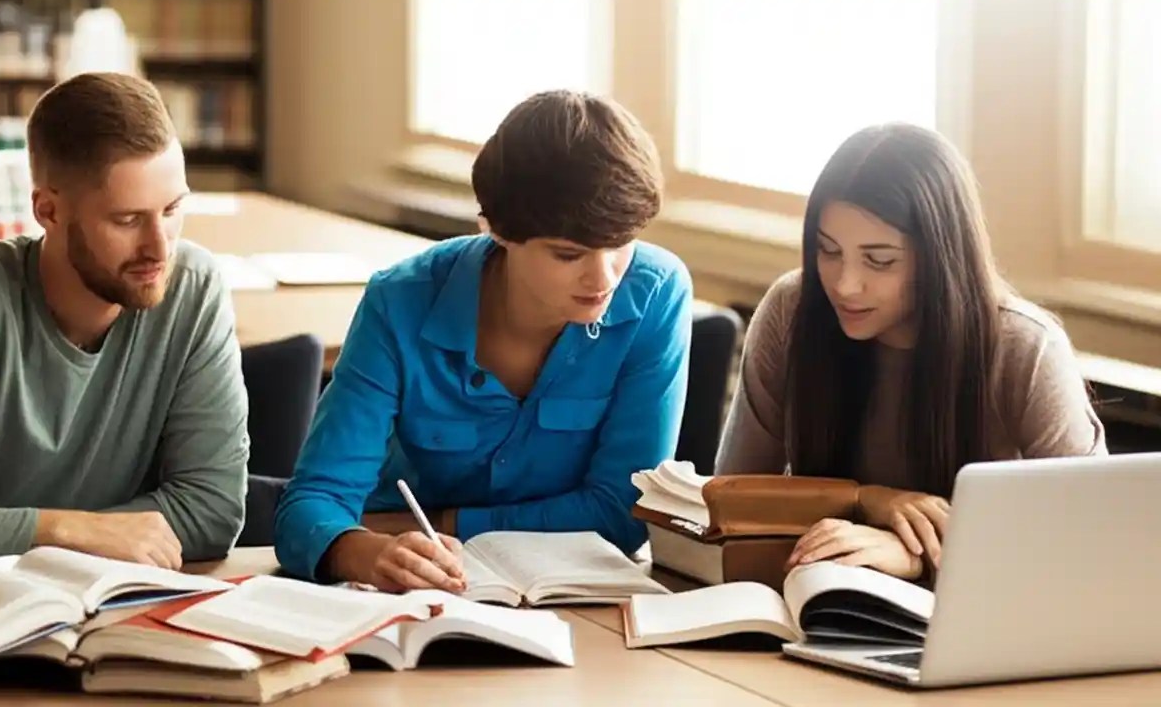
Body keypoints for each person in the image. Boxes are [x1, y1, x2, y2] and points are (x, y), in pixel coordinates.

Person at [275, 90, 693, 592]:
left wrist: (441, 524)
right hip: (406, 596)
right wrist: (362, 551)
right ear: (495, 229)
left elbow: (622, 515)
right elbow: (311, 505)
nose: (603, 278)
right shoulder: (400, 300)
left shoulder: (658, 292)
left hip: (572, 597)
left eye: (620, 245)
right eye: (567, 255)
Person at [0, 72, 249, 569]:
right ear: (48, 211)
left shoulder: (194, 289)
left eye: (172, 209)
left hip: (112, 598)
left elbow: (212, 510)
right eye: (127, 219)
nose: (160, 248)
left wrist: (77, 541)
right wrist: (66, 532)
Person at [715, 123, 1105, 581]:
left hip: (979, 612)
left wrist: (916, 557)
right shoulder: (793, 309)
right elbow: (734, 499)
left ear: (939, 254)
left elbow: (1088, 541)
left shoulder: (1027, 349)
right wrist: (868, 500)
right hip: (817, 600)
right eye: (828, 250)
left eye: (880, 260)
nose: (845, 284)